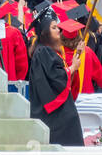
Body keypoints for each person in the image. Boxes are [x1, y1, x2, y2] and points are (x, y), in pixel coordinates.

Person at [26, 8, 85, 146]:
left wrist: (77, 54)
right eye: (54, 28)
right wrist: (72, 67)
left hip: (54, 112)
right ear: (44, 32)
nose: (58, 30)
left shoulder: (46, 51)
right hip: (53, 115)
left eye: (57, 27)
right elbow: (56, 77)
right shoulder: (43, 52)